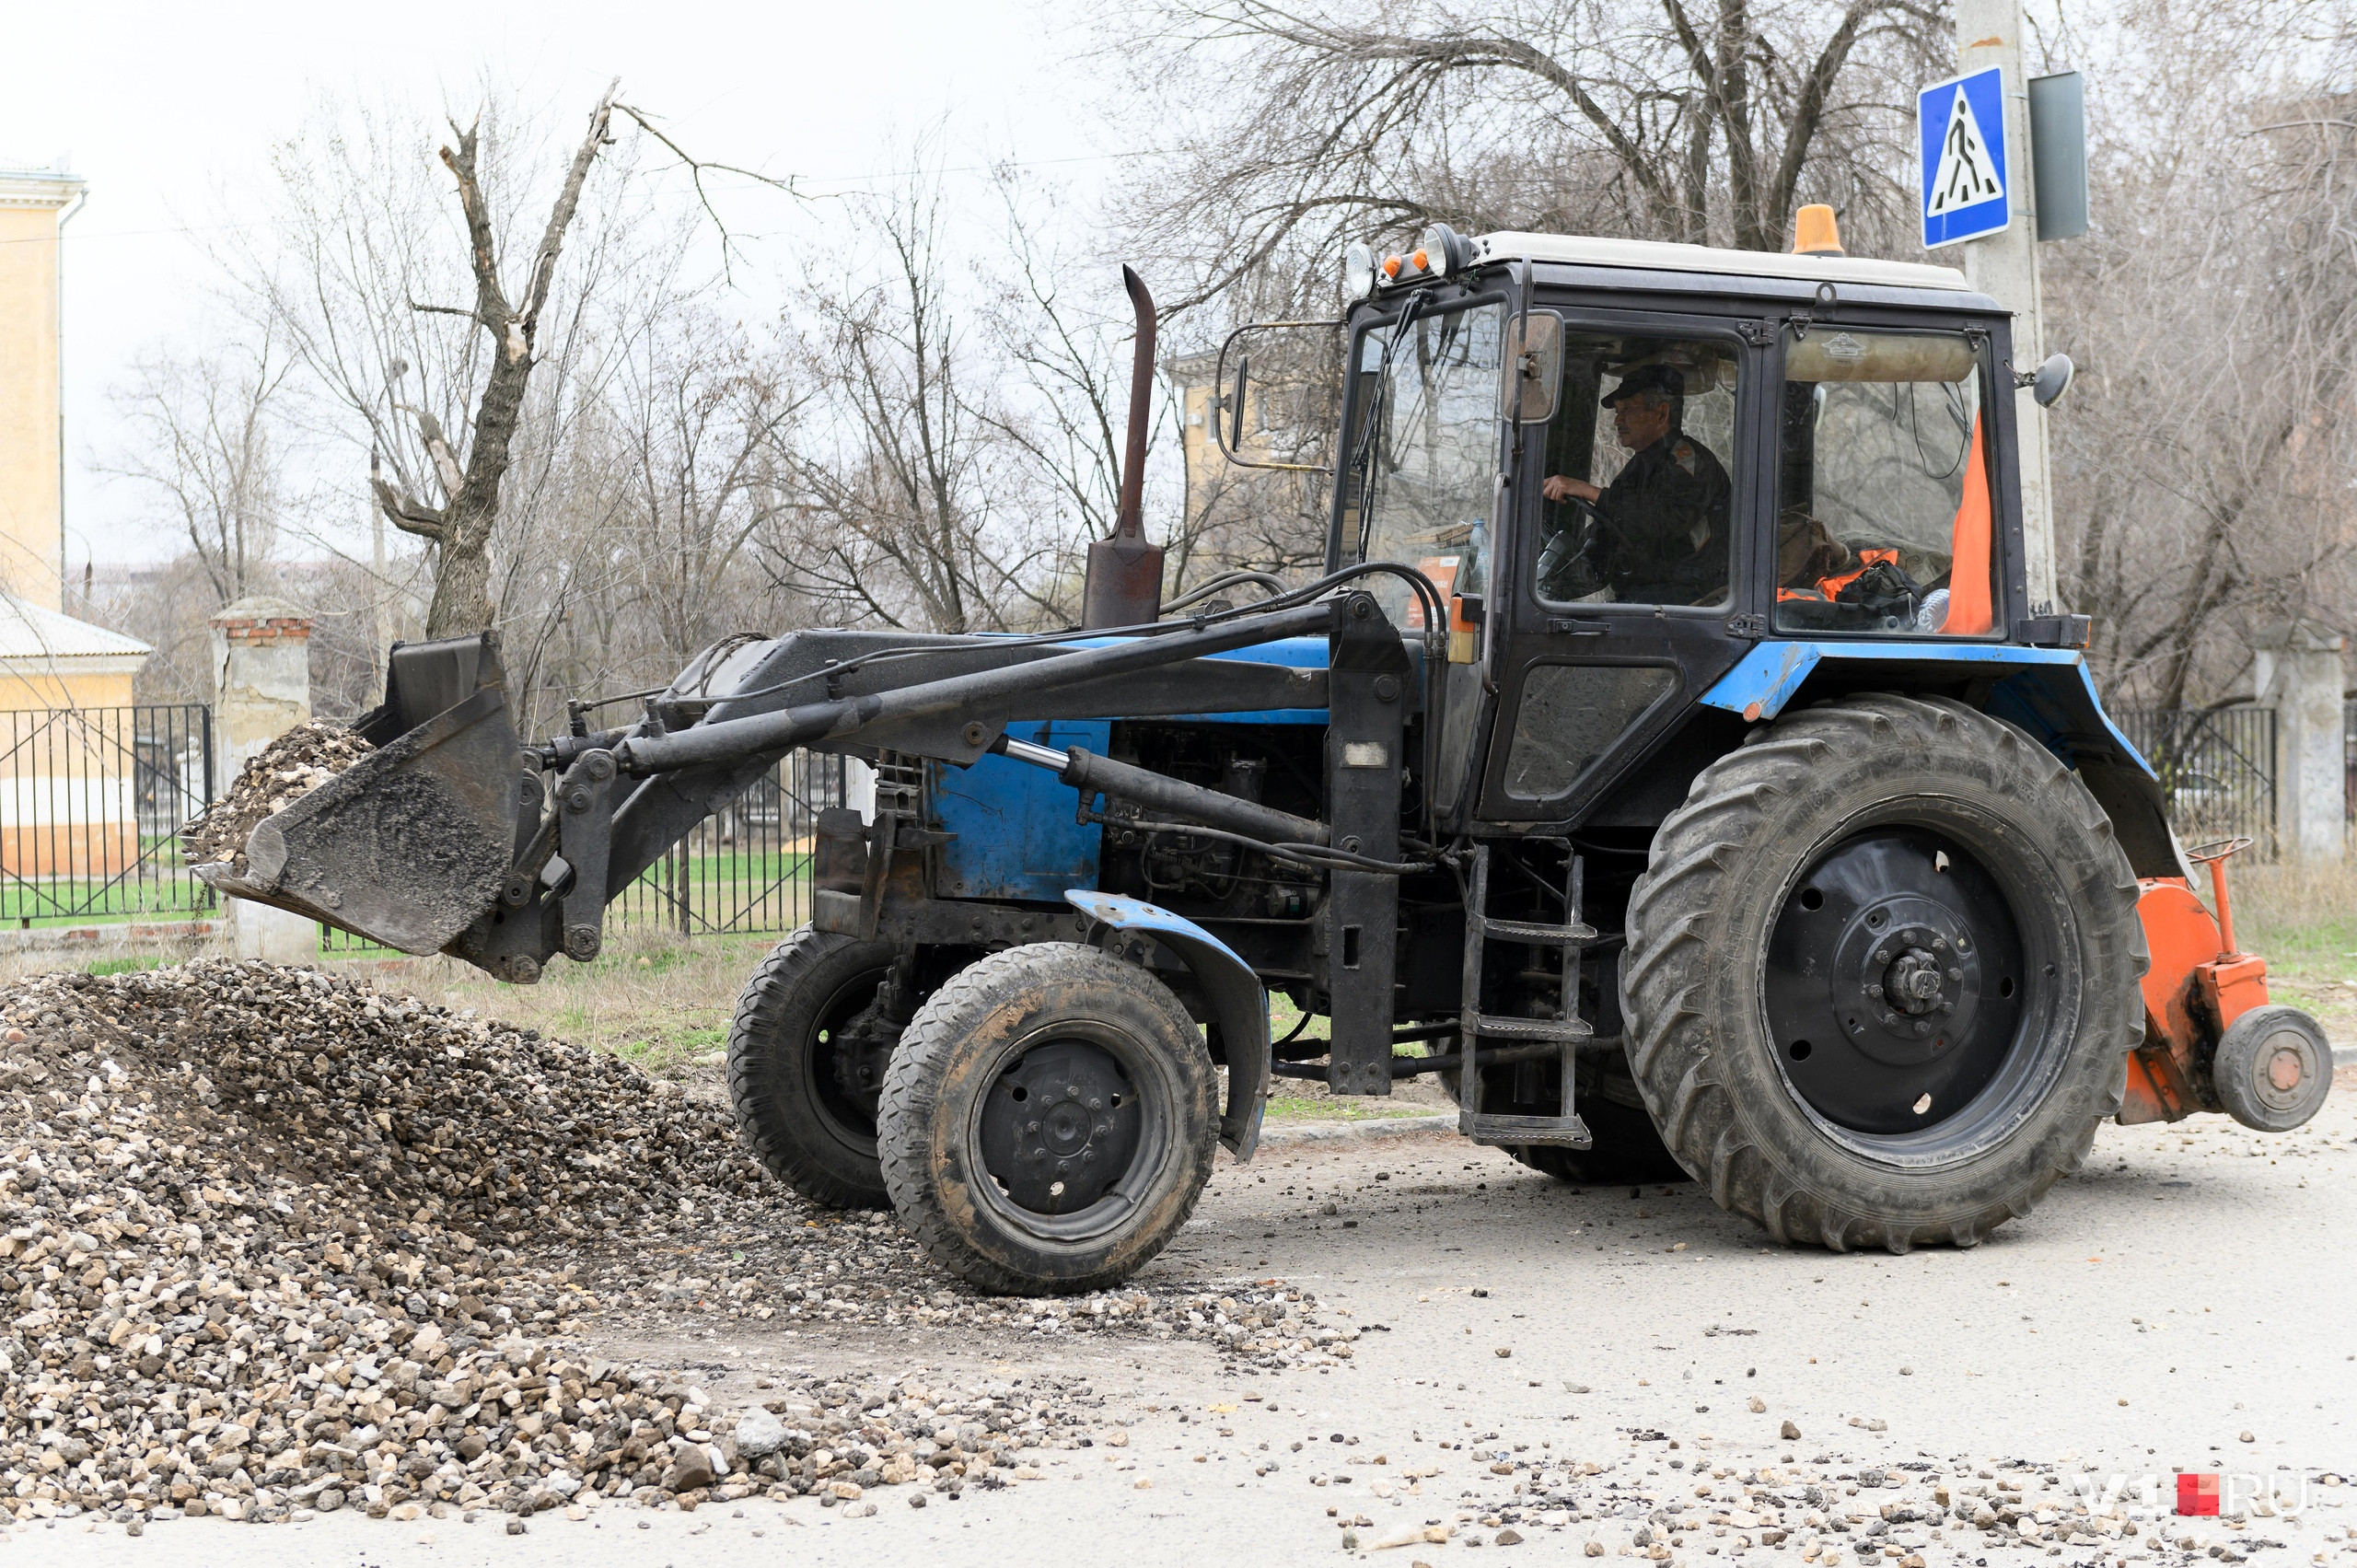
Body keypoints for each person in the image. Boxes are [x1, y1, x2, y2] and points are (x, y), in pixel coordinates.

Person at [1538, 364, 1731, 603]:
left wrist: (1588, 491)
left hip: (1690, 602)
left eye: (1627, 409)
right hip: (1647, 599)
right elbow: (1612, 528)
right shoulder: (1639, 466)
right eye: (1617, 411)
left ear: (1661, 414)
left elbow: (1661, 525)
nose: (1617, 421)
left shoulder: (1690, 464)